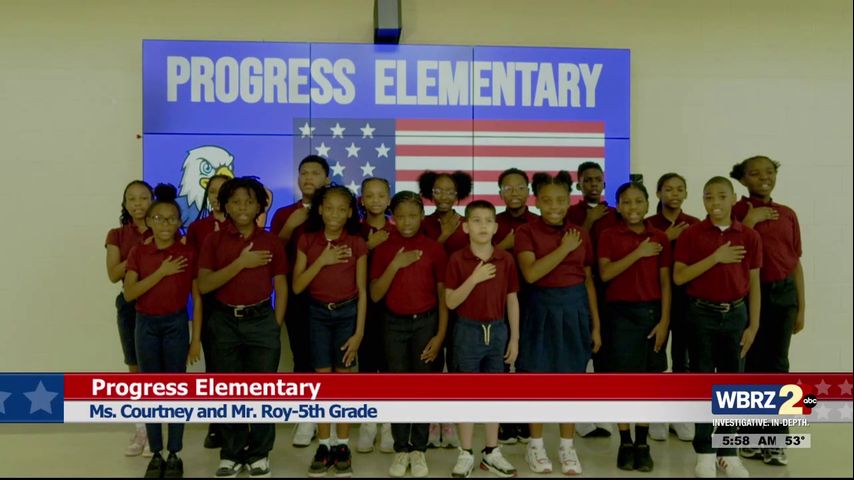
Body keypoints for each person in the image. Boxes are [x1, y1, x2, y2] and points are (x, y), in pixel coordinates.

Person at [198, 177, 287, 478]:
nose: (242, 207)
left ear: (260, 205)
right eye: (235, 201)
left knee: (263, 391)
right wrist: (241, 262)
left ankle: (260, 453)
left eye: (249, 201)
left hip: (261, 320)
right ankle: (232, 453)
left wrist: (274, 325)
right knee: (228, 390)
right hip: (223, 322)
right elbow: (205, 284)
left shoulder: (271, 240)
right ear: (225, 205)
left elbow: (281, 285)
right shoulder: (214, 240)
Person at [514, 171, 601, 475]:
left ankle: (567, 446)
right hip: (539, 309)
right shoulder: (526, 232)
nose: (554, 206)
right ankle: (535, 446)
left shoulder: (580, 232)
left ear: (569, 201)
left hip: (575, 309)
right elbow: (532, 274)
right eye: (547, 200)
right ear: (536, 201)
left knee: (571, 381)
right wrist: (563, 249)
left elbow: (588, 280)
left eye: (561, 200)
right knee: (537, 380)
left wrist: (596, 324)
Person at [673, 176, 761, 478]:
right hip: (701, 315)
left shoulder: (748, 236)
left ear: (733, 198)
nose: (715, 203)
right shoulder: (693, 234)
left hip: (735, 316)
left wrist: (753, 324)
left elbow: (754, 283)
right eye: (709, 197)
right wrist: (716, 257)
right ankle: (705, 453)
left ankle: (728, 453)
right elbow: (680, 277)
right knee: (701, 384)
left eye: (722, 196)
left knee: (732, 386)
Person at [123, 184, 202, 479]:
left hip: (175, 325)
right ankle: (155, 452)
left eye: (171, 219)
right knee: (151, 390)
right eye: (158, 219)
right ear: (150, 222)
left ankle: (175, 453)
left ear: (180, 223)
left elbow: (197, 297)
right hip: (146, 326)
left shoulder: (187, 252)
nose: (164, 224)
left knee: (175, 390)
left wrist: (195, 340)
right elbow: (130, 293)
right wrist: (161, 272)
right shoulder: (139, 252)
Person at [731, 155, 804, 467]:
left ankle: (776, 441)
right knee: (749, 366)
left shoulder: (788, 214)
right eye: (755, 173)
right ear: (743, 179)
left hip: (783, 296)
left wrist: (802, 307)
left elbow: (795, 260)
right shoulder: (735, 210)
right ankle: (750, 437)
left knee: (777, 366)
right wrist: (750, 221)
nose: (763, 177)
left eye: (769, 171)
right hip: (748, 297)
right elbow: (732, 249)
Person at [370, 191, 448, 478]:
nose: (406, 221)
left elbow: (442, 296)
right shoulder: (384, 248)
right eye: (400, 215)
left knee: (423, 387)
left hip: (426, 323)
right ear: (392, 217)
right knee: (398, 387)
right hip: (393, 325)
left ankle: (419, 449)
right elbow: (376, 294)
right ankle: (401, 448)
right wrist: (396, 265)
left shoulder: (434, 249)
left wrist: (440, 335)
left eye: (412, 215)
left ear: (422, 217)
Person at [294, 185, 368, 478]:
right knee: (322, 383)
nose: (335, 214)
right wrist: (322, 261)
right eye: (330, 208)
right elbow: (298, 286)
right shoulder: (307, 240)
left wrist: (359, 332)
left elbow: (362, 291)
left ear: (350, 212)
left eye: (342, 209)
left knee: (345, 383)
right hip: (317, 315)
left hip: (348, 314)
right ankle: (324, 444)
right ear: (320, 209)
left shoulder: (357, 242)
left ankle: (343, 445)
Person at [597, 182, 671, 473]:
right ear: (618, 205)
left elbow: (666, 282)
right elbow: (606, 273)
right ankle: (625, 441)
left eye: (638, 202)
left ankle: (643, 443)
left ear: (647, 203)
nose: (633, 208)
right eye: (626, 202)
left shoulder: (660, 237)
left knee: (649, 382)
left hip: (652, 314)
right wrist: (639, 252)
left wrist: (665, 321)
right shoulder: (609, 235)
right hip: (619, 315)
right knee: (622, 382)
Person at [445, 200, 520, 479]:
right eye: (476, 220)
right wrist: (474, 278)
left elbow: (512, 300)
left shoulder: (506, 259)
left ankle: (492, 450)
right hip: (467, 331)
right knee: (466, 392)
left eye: (488, 220)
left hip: (498, 331)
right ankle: (465, 452)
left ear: (496, 227)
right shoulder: (457, 259)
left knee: (494, 393)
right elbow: (451, 301)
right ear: (465, 226)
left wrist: (515, 338)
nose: (483, 226)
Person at [269, 155, 331, 447]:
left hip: (334, 296)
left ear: (326, 179)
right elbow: (272, 254)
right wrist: (288, 228)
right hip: (298, 296)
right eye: (303, 173)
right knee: (303, 357)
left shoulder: (335, 211)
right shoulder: (284, 213)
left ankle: (329, 419)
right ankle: (306, 417)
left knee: (329, 360)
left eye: (315, 173)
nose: (308, 178)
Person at [418, 170, 473, 447]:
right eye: (438, 190)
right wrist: (444, 235)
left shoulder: (467, 223)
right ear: (429, 192)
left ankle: (450, 419)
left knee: (457, 361)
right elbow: (423, 257)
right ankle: (431, 419)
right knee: (433, 361)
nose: (444, 196)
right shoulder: (422, 222)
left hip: (462, 300)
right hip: (430, 298)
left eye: (450, 191)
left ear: (459, 193)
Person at [646, 172, 700, 443]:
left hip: (689, 301)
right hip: (655, 301)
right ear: (658, 194)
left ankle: (681, 415)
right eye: (668, 189)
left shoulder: (696, 224)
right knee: (656, 359)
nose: (674, 194)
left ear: (687, 194)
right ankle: (657, 416)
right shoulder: (648, 224)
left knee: (683, 360)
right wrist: (666, 236)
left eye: (680, 189)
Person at [105, 179, 155, 457]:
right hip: (129, 307)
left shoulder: (166, 229)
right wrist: (139, 252)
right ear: (125, 204)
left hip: (160, 307)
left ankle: (157, 430)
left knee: (157, 370)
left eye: (144, 198)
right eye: (132, 199)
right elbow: (113, 274)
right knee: (135, 369)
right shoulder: (117, 235)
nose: (138, 204)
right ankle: (141, 429)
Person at [185, 173, 230, 449]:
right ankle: (217, 425)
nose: (216, 196)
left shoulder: (244, 226)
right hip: (210, 303)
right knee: (215, 368)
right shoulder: (198, 228)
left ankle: (243, 421)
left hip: (237, 301)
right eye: (212, 191)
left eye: (223, 191)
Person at [493, 168, 537, 445]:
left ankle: (523, 418)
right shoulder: (492, 223)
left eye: (519, 187)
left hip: (533, 299)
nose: (514, 193)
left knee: (527, 359)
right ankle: (503, 419)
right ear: (500, 193)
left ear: (528, 191)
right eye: (507, 188)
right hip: (499, 300)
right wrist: (505, 245)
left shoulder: (538, 223)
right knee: (500, 358)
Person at [356, 177, 395, 455]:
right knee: (368, 364)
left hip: (394, 308)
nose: (376, 200)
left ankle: (389, 424)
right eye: (370, 195)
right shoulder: (355, 231)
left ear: (389, 199)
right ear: (362, 200)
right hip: (364, 308)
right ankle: (368, 423)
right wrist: (367, 247)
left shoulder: (398, 228)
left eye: (381, 195)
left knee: (391, 364)